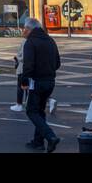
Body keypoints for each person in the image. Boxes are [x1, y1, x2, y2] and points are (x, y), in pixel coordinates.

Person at [21, 17, 61, 152]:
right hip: (50, 81)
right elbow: (58, 63)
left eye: (24, 28)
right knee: (40, 111)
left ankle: (50, 136)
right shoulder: (50, 40)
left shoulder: (30, 43)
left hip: (36, 82)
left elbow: (28, 65)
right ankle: (38, 141)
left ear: (29, 29)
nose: (23, 31)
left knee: (31, 111)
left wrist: (24, 81)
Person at [11, 39, 27, 112]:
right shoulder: (44, 40)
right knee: (30, 88)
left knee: (21, 86)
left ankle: (19, 104)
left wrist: (17, 58)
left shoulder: (26, 41)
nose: (23, 31)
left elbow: (23, 57)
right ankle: (50, 99)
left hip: (23, 68)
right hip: (34, 69)